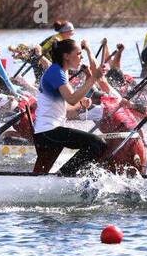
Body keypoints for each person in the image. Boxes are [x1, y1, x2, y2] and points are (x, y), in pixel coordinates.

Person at [32, 39, 108, 176]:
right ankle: (64, 177)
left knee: (39, 175)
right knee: (97, 143)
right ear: (66, 56)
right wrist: (92, 79)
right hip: (49, 132)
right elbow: (72, 99)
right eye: (79, 53)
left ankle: (64, 177)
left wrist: (81, 103)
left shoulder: (60, 71)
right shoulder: (56, 72)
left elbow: (68, 104)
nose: (81, 57)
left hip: (48, 131)